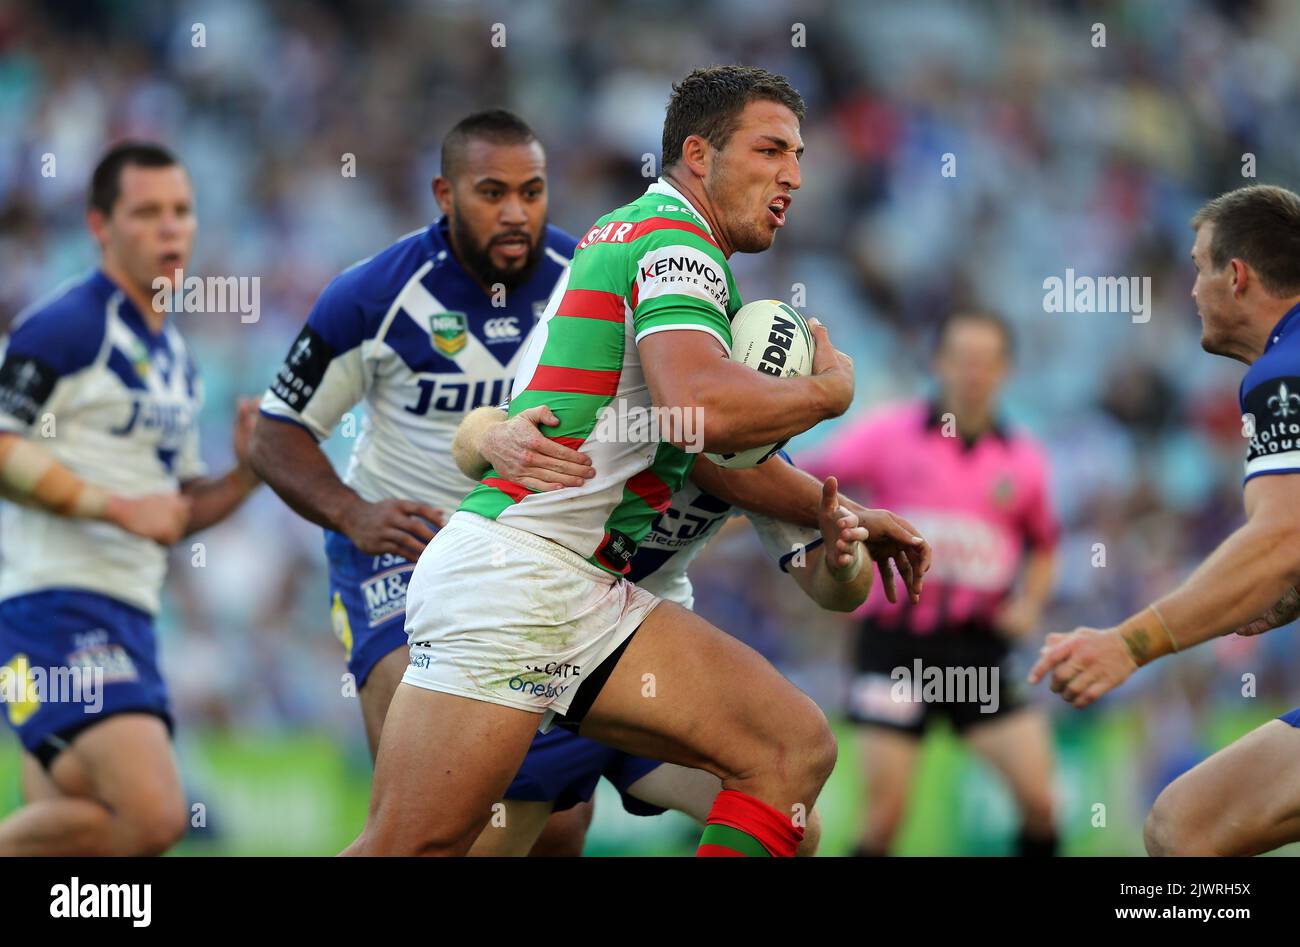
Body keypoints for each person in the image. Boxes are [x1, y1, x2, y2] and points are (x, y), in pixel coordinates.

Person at [349, 65, 888, 858]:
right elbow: (699, 410)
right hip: (526, 580)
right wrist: (833, 393)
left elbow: (706, 447)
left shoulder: (651, 246)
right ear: (698, 155)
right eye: (771, 150)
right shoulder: (677, 244)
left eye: (799, 156)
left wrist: (832, 510)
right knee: (417, 847)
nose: (795, 176)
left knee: (789, 752)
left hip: (583, 593)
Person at [250, 109, 598, 852]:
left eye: (532, 191)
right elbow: (273, 431)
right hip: (400, 560)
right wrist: (353, 512)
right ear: (444, 194)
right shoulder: (370, 295)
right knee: (430, 815)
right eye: (491, 192)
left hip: (531, 566)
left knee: (559, 828)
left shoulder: (588, 282)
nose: (515, 212)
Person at [456, 403, 925, 855]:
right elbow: (468, 440)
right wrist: (492, 436)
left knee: (792, 826)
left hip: (650, 668)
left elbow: (834, 590)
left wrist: (844, 565)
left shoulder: (759, 461)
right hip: (553, 654)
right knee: (539, 839)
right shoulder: (626, 393)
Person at [0, 141, 261, 856]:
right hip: (55, 603)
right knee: (153, 816)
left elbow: (171, 514)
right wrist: (112, 507)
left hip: (130, 611)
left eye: (181, 211)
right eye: (147, 212)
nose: (171, 228)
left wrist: (248, 473)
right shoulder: (66, 326)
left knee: (82, 855)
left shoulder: (177, 358)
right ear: (99, 225)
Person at [1030, 184, 1300, 857]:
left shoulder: (1283, 372)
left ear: (1235, 277)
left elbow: (1281, 538)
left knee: (1183, 830)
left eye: (1198, 267)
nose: (1191, 290)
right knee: (1184, 827)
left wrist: (1129, 643)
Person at [803, 310, 1059, 857]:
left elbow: (1044, 544)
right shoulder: (886, 434)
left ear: (1006, 369)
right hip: (895, 646)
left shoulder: (1024, 459)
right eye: (962, 358)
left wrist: (1030, 602)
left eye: (986, 361)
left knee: (1041, 805)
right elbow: (804, 482)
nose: (973, 372)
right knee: (883, 821)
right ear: (938, 362)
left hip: (980, 650)